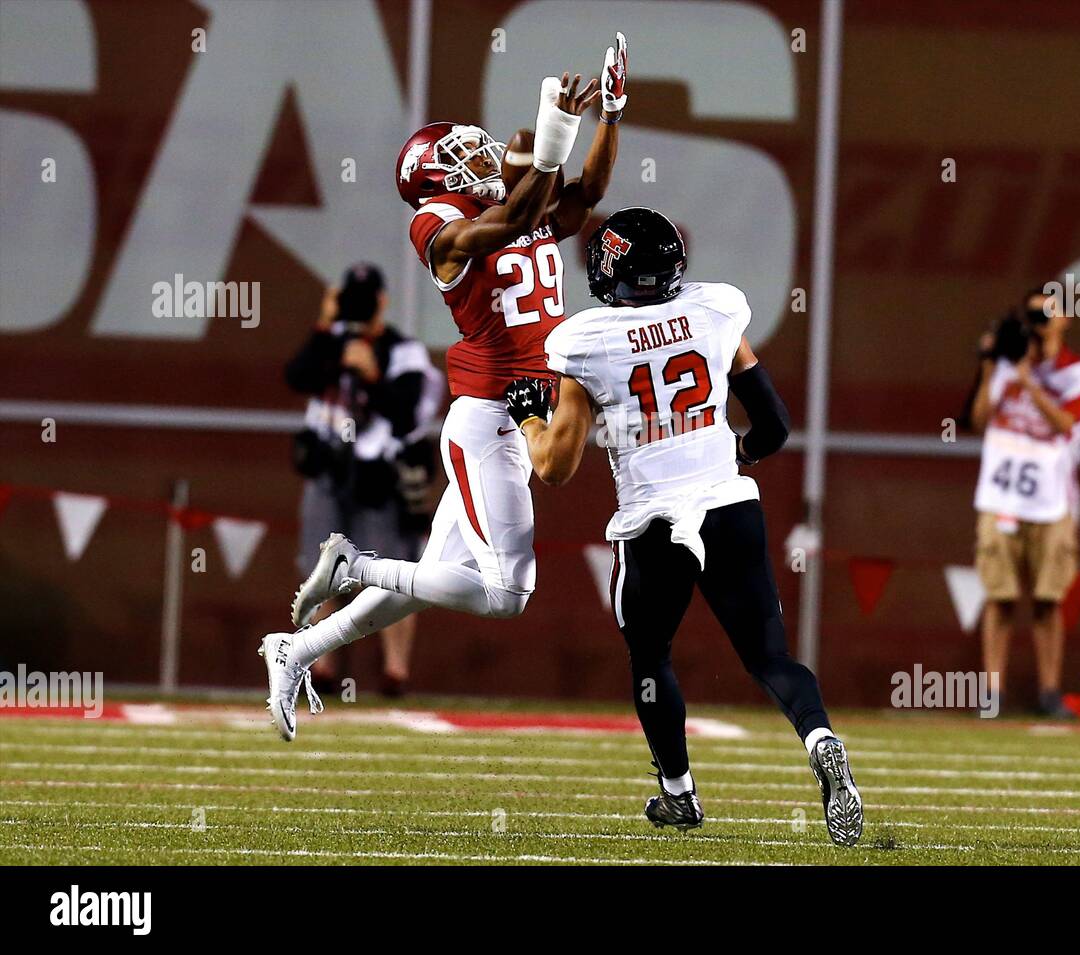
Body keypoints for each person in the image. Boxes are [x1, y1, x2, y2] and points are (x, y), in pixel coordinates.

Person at [258, 36, 628, 742]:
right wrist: (550, 136)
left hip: (516, 410)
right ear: (435, 173)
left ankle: (296, 648)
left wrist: (610, 111)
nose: (482, 156)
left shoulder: (512, 205)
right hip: (492, 418)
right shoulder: (436, 224)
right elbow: (516, 219)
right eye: (465, 154)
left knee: (425, 580)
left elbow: (588, 196)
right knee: (507, 592)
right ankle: (353, 562)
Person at [501, 207, 863, 847]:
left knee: (650, 655)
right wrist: (732, 454)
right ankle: (819, 736)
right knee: (771, 657)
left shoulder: (586, 340)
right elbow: (773, 427)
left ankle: (679, 795)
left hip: (652, 522)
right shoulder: (717, 309)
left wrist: (530, 419)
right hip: (728, 505)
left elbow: (554, 468)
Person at [284, 263, 443, 698]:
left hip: (380, 474)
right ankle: (321, 668)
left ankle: (395, 672)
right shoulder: (328, 341)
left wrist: (373, 375)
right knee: (321, 569)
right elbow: (296, 376)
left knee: (393, 574)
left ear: (382, 301)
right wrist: (323, 324)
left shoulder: (402, 350)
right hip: (329, 468)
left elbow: (409, 412)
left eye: (363, 299)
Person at [969, 289, 1080, 716]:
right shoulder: (1007, 365)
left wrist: (1030, 380)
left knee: (1049, 599)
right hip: (1001, 494)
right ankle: (992, 694)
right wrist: (992, 363)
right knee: (1000, 596)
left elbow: (1067, 425)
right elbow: (978, 420)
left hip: (1051, 499)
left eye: (1049, 310)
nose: (1041, 318)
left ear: (1065, 318)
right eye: (1035, 311)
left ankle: (1049, 694)